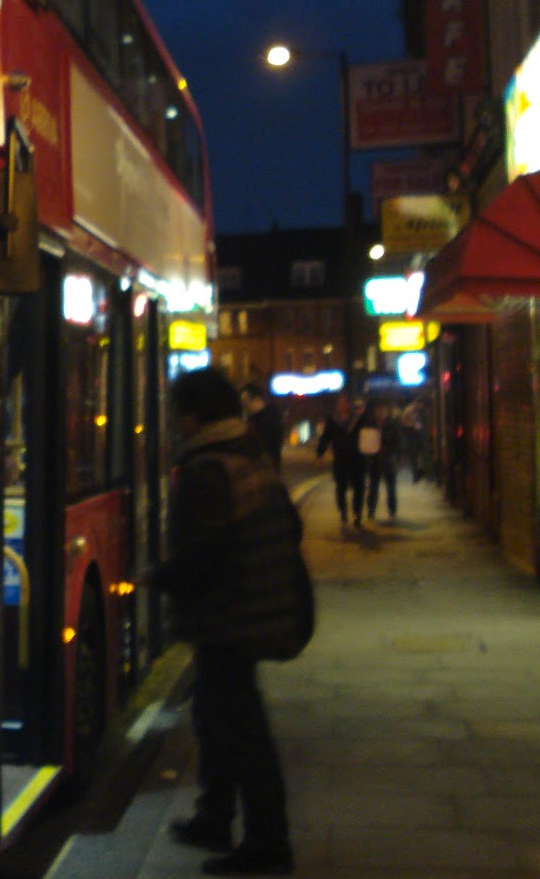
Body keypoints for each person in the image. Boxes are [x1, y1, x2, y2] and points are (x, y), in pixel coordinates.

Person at [149, 367, 307, 877]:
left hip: (230, 614)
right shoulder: (247, 451)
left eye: (177, 411)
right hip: (252, 606)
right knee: (216, 720)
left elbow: (204, 551)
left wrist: (156, 578)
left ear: (193, 415)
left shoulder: (206, 466)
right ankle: (213, 816)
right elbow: (290, 522)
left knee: (240, 729)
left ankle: (268, 844)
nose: (173, 421)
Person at [315, 395, 365, 530]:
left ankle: (357, 513)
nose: (342, 405)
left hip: (357, 458)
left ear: (349, 405)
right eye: (340, 403)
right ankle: (343, 512)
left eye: (345, 403)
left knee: (359, 487)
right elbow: (325, 438)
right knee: (341, 488)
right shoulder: (332, 420)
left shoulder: (358, 419)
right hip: (340, 459)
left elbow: (368, 434)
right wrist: (320, 454)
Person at [239, 383, 285, 469]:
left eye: (246, 402)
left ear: (257, 399)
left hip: (264, 470)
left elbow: (268, 446)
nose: (244, 406)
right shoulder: (254, 419)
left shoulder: (270, 420)